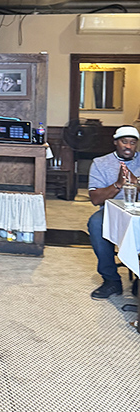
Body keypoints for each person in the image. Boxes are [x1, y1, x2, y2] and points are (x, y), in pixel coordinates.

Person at [87, 125, 140, 298]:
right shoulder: (100, 163)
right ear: (116, 142)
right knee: (96, 223)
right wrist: (118, 184)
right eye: (124, 142)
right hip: (112, 210)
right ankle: (111, 280)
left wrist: (136, 183)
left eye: (133, 143)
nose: (128, 146)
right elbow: (95, 199)